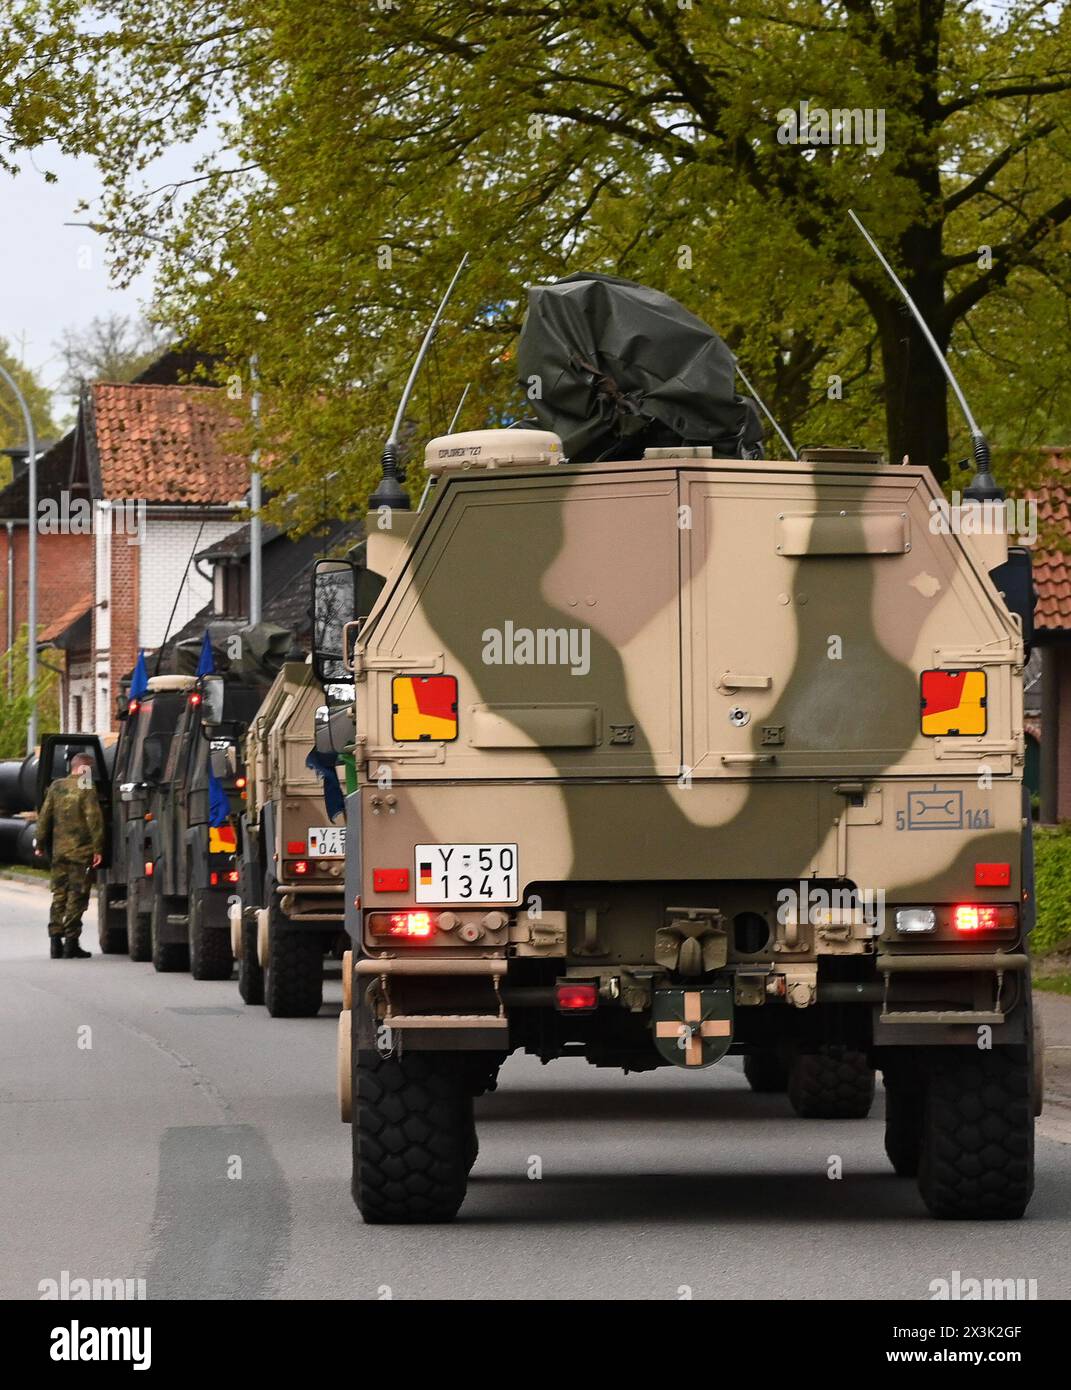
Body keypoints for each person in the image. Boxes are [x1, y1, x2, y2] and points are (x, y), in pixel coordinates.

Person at [34, 752, 104, 959]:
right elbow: (94, 819)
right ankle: (71, 942)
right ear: (84, 769)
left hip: (59, 852)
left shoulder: (56, 786)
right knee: (77, 896)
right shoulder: (85, 786)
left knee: (59, 895)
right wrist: (98, 849)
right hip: (80, 852)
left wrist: (39, 842)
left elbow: (44, 816)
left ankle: (55, 941)